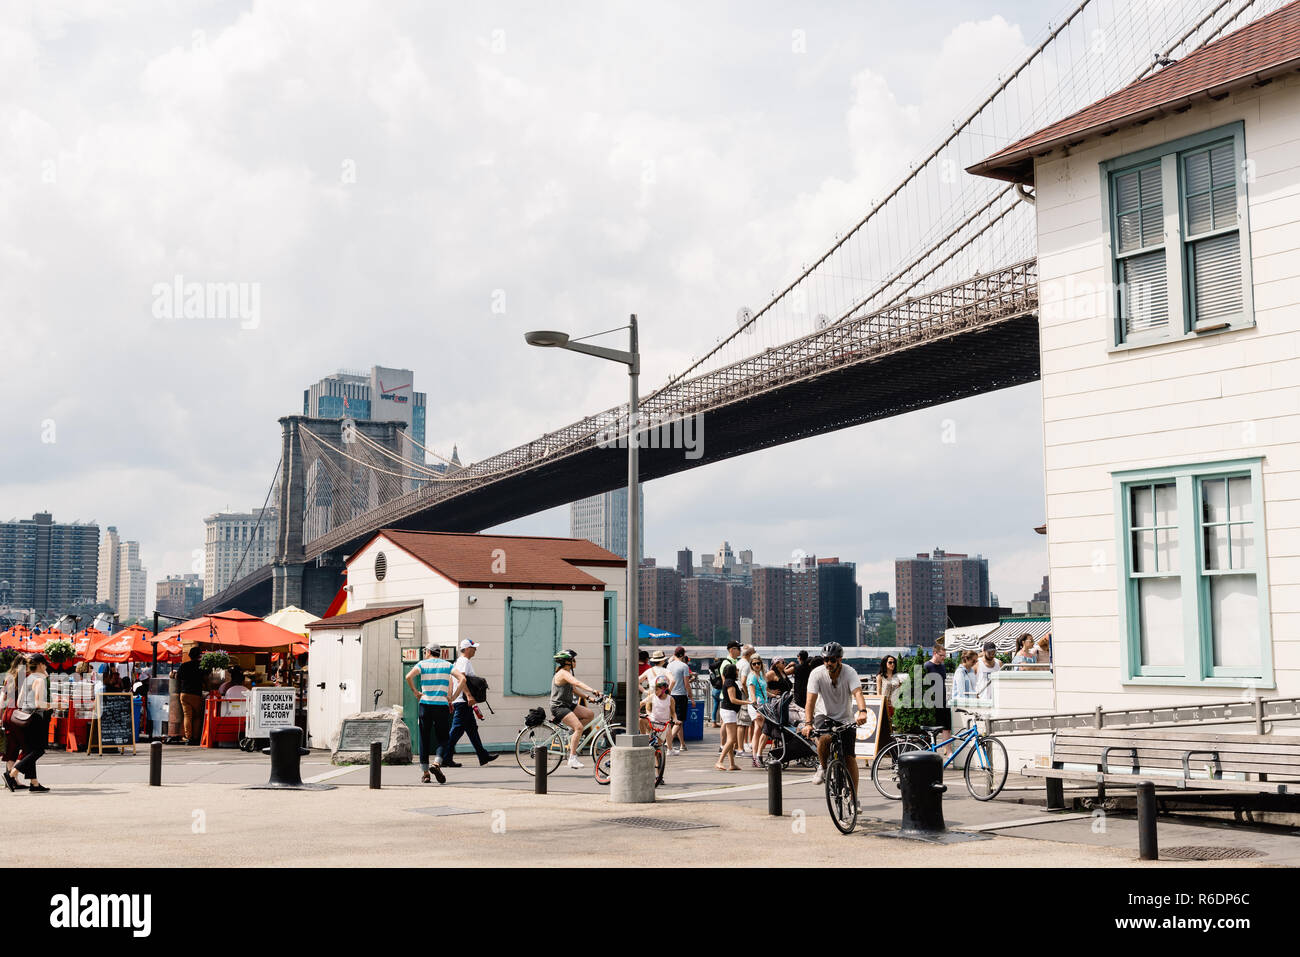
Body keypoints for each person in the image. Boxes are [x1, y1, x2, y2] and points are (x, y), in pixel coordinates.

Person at [799, 643, 868, 801]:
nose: (828, 663)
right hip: (824, 714)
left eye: (831, 660)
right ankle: (823, 768)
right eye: (825, 660)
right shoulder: (817, 673)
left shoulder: (850, 672)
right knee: (825, 738)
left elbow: (858, 693)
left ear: (839, 660)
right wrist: (808, 723)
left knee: (850, 758)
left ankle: (854, 797)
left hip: (845, 717)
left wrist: (862, 712)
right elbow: (810, 702)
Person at [405, 644, 464, 784]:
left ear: (429, 652)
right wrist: (453, 697)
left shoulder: (422, 664)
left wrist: (415, 692)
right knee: (443, 738)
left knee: (424, 738)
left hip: (425, 705)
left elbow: (408, 677)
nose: (425, 653)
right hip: (441, 706)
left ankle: (425, 774)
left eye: (425, 651)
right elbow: (462, 679)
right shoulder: (447, 665)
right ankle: (436, 763)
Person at [441, 639, 498, 767]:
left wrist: (450, 697)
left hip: (460, 700)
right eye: (473, 648)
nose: (475, 650)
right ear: (467, 649)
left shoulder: (456, 662)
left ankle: (483, 756)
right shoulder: (464, 661)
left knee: (472, 729)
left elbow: (451, 679)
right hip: (463, 701)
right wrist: (468, 695)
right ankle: (445, 757)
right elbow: (463, 679)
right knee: (455, 731)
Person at [550, 649, 601, 770]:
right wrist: (593, 690)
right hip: (559, 707)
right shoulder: (563, 673)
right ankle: (572, 758)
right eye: (573, 659)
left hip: (567, 704)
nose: (575, 662)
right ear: (568, 662)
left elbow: (574, 689)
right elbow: (577, 683)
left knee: (589, 714)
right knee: (579, 727)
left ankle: (573, 734)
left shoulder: (568, 673)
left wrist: (589, 697)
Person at [12, 654, 53, 792]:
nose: (46, 667)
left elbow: (18, 702)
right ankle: (13, 772)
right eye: (45, 664)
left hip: (24, 717)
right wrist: (55, 704)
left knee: (30, 751)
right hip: (35, 718)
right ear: (41, 665)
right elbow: (38, 703)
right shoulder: (39, 681)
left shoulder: (28, 679)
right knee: (39, 750)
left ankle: (34, 784)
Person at [714, 662, 747, 772]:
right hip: (729, 711)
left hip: (728, 710)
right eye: (736, 670)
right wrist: (747, 702)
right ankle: (720, 761)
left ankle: (732, 764)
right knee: (732, 739)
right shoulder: (730, 683)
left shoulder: (730, 682)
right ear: (733, 672)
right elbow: (733, 699)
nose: (738, 672)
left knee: (730, 739)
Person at [2, 655, 28, 791]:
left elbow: (3, 698)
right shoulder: (23, 676)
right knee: (26, 746)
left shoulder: (9, 677)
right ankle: (11, 776)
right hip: (18, 714)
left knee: (11, 746)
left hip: (7, 713)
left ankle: (12, 779)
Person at [923, 639, 951, 755]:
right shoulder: (927, 666)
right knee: (931, 729)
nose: (943, 658)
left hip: (942, 700)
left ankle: (948, 750)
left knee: (947, 726)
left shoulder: (942, 667)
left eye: (945, 656)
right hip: (931, 701)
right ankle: (931, 751)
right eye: (941, 655)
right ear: (934, 653)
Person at [176, 647, 208, 745]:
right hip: (196, 694)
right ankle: (196, 737)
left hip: (184, 693)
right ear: (199, 656)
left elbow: (178, 677)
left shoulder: (184, 666)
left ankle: (188, 736)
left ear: (190, 655)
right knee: (197, 716)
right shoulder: (201, 667)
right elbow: (206, 678)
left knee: (187, 716)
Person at [665, 646, 692, 754]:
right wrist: (691, 696)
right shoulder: (684, 666)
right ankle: (668, 741)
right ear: (683, 655)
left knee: (675, 721)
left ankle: (682, 744)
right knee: (679, 721)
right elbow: (686, 684)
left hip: (670, 695)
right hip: (681, 696)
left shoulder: (668, 666)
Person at [746, 654, 770, 767]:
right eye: (754, 664)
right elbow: (752, 692)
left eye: (758, 663)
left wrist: (772, 695)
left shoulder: (760, 674)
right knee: (765, 730)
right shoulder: (752, 677)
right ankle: (757, 756)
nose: (756, 665)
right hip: (756, 706)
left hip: (763, 705)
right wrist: (755, 706)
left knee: (757, 731)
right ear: (751, 665)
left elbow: (763, 691)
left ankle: (755, 757)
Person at [876, 655, 902, 747]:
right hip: (884, 704)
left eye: (894, 662)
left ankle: (895, 746)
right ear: (885, 663)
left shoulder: (897, 676)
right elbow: (878, 691)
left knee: (895, 726)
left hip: (895, 704)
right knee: (885, 726)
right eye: (890, 662)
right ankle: (883, 746)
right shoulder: (880, 676)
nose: (892, 664)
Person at [735, 645, 756, 753]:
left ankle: (741, 745)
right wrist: (748, 695)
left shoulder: (738, 663)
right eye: (754, 652)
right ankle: (742, 746)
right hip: (743, 694)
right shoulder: (747, 665)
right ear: (749, 654)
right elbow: (743, 681)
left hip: (738, 693)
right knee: (744, 721)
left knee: (741, 721)